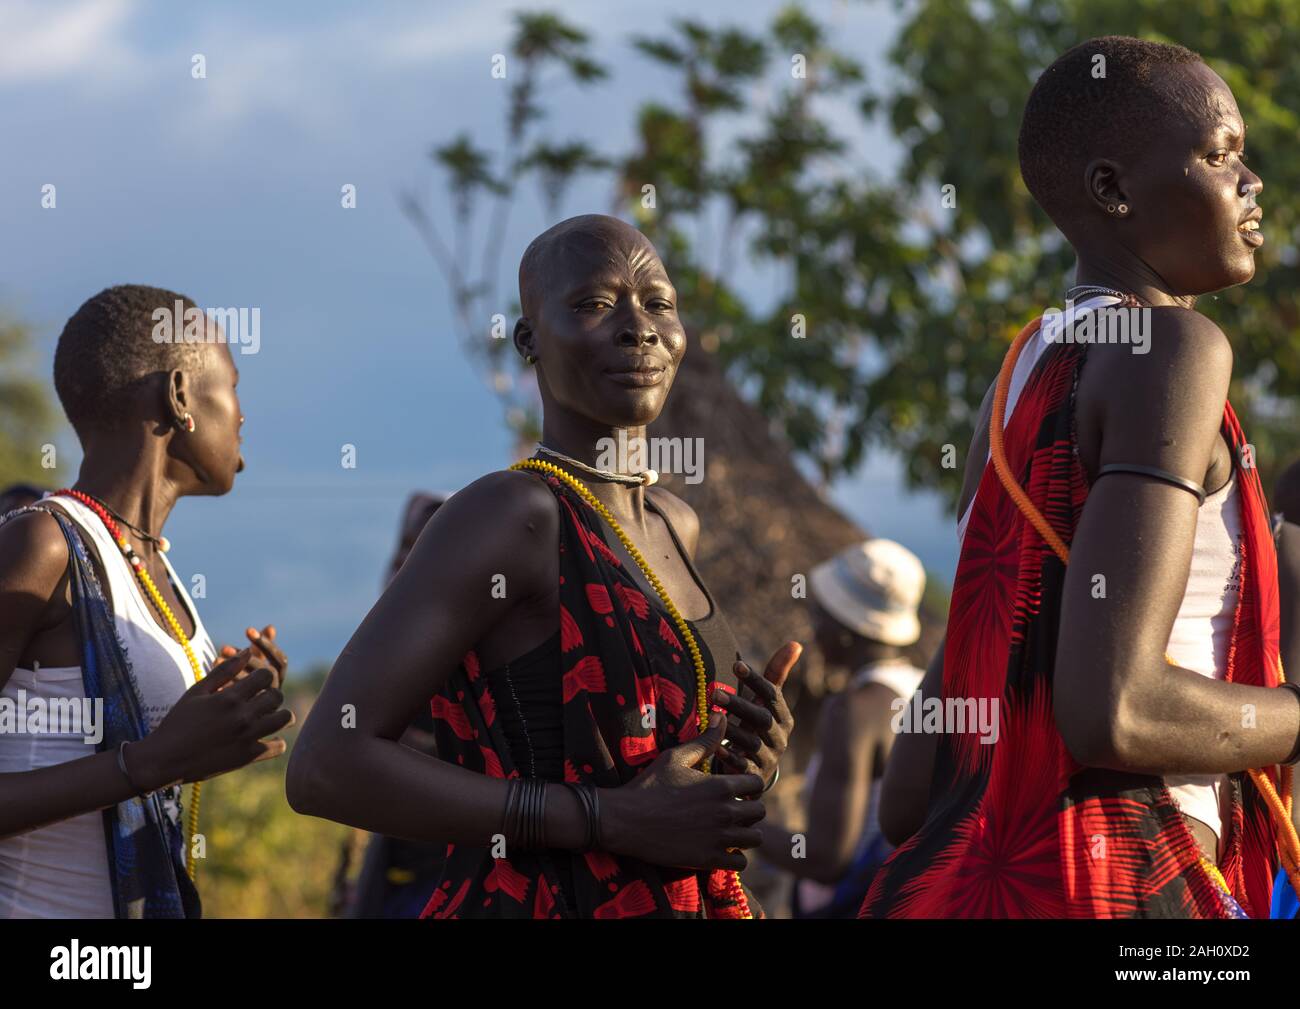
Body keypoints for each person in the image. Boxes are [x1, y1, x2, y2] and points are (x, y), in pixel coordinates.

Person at [865, 36, 1297, 919]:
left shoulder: (1015, 386)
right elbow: (1116, 712)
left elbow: (909, 792)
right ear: (1112, 191)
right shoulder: (1172, 350)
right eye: (1220, 155)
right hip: (1124, 889)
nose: (1251, 183)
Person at [289, 215, 800, 918]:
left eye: (659, 303)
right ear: (528, 339)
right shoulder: (514, 514)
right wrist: (603, 817)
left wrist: (743, 760)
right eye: (595, 304)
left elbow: (644, 766)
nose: (639, 327)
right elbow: (325, 764)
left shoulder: (676, 524)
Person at [0, 285, 293, 918]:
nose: (242, 415)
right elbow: (138, 766)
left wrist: (226, 719)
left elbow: (127, 768)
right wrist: (156, 759)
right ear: (182, 395)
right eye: (233, 386)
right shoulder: (42, 545)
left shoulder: (150, 563)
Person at [756, 538, 926, 918]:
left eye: (822, 616)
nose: (814, 628)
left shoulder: (854, 711)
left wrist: (734, 818)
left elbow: (828, 859)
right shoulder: (921, 690)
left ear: (847, 632)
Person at [340, 491, 451, 918]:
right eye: (403, 550)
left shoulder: (475, 667)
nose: (404, 567)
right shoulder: (384, 660)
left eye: (422, 553)